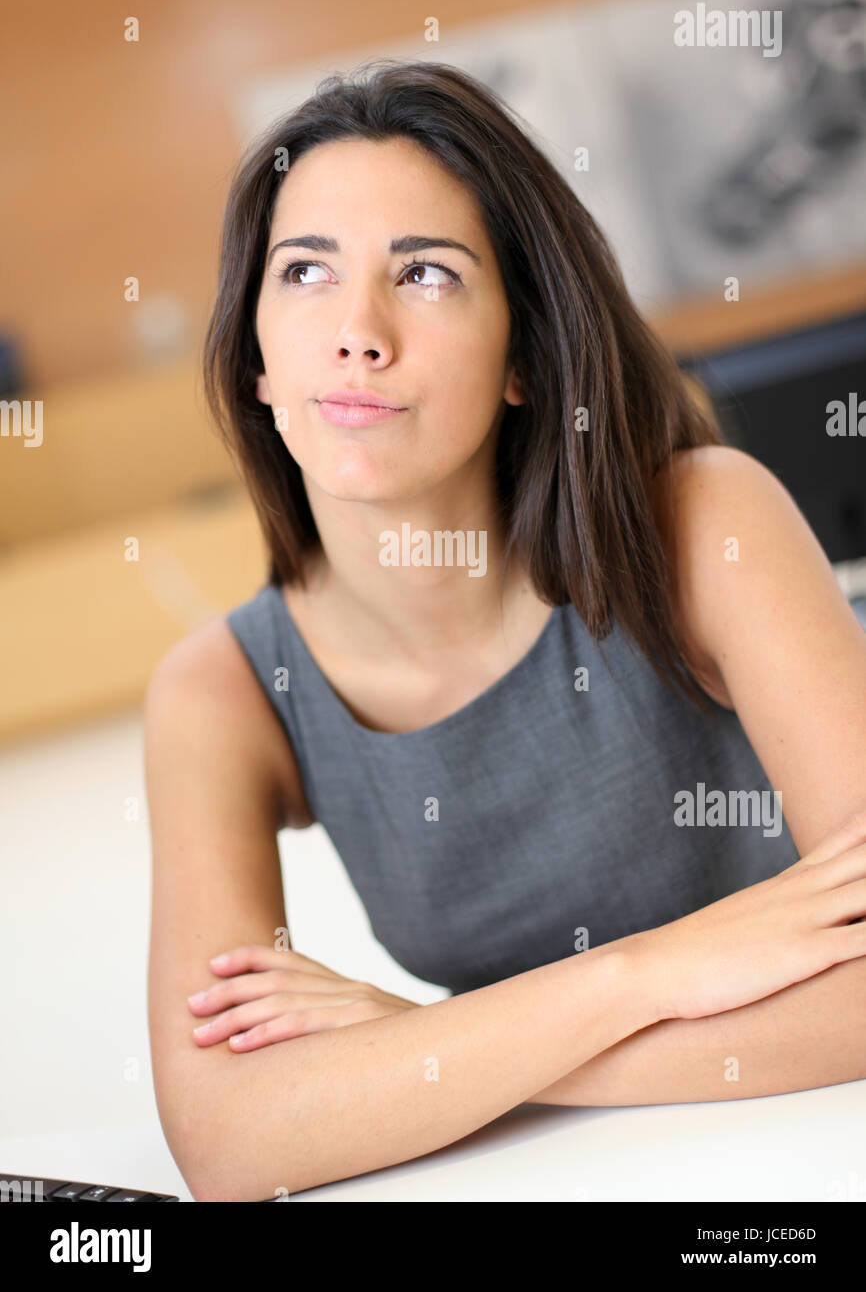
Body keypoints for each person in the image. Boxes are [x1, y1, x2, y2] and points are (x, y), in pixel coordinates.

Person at [145, 59, 866, 1201]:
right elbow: (229, 1139)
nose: (357, 333)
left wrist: (435, 1048)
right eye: (305, 273)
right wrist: (651, 976)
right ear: (253, 356)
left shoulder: (702, 521)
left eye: (424, 273)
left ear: (523, 356)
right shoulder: (219, 691)